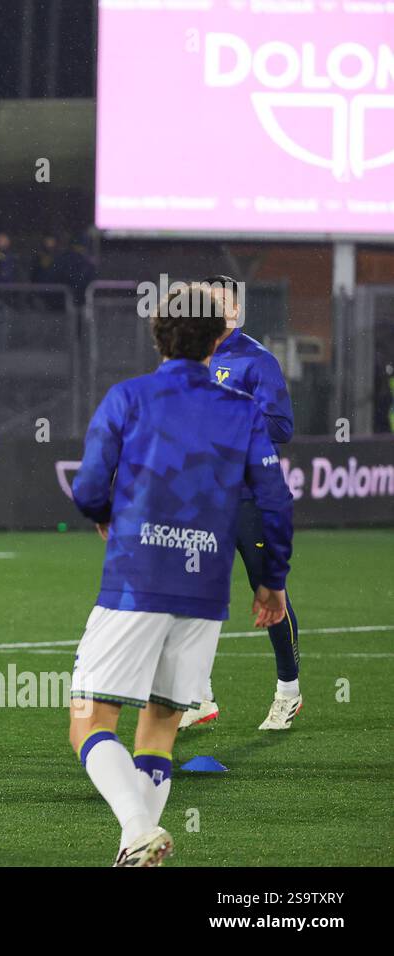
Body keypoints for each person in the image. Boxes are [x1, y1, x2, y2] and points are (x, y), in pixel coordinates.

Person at [68, 284, 293, 866]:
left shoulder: (129, 397)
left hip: (137, 577)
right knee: (161, 727)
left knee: (90, 720)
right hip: (205, 584)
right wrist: (272, 580)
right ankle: (133, 846)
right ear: (218, 337)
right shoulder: (243, 411)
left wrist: (104, 516)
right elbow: (275, 500)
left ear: (157, 333)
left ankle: (137, 827)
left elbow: (91, 486)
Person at [181, 276, 303, 731]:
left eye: (216, 302)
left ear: (235, 311)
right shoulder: (191, 356)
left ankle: (288, 691)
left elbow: (282, 426)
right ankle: (200, 698)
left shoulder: (256, 360)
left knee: (269, 594)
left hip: (251, 499)